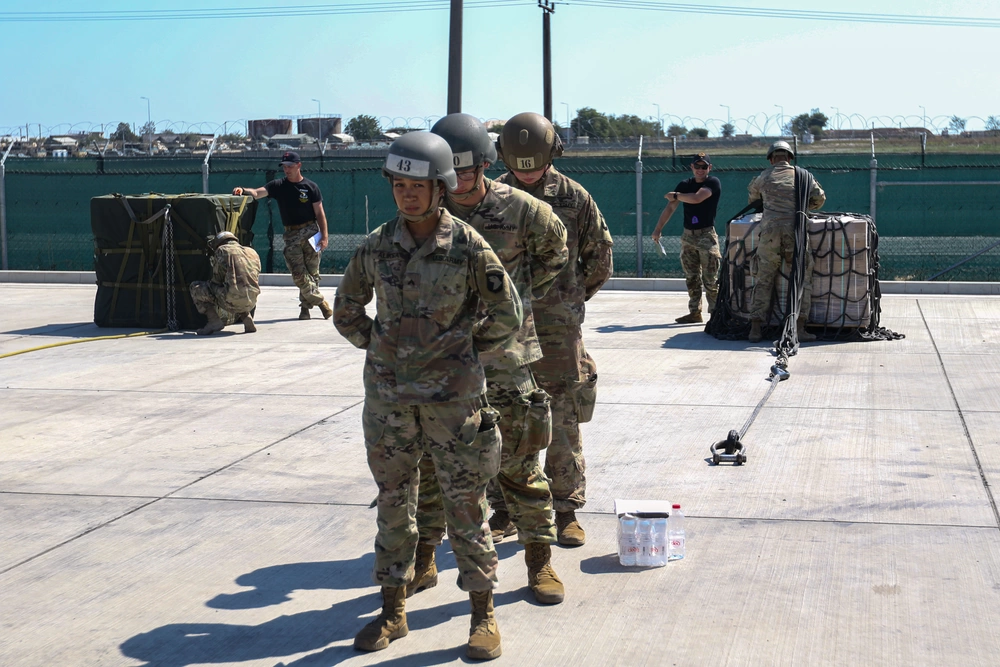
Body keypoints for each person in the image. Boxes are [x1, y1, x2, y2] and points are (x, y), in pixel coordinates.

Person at [333, 131, 523, 660]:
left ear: (440, 188)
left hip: (454, 404)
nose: (406, 195)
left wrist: (462, 354)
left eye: (417, 185)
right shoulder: (376, 245)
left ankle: (482, 613)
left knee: (467, 504)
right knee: (394, 503)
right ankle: (393, 611)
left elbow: (508, 314)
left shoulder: (465, 246)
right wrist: (383, 350)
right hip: (390, 403)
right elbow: (346, 308)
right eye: (398, 185)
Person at [404, 113, 568, 605]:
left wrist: (514, 302)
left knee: (520, 465)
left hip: (504, 358)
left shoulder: (523, 210)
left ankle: (540, 564)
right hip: (442, 366)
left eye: (466, 171)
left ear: (485, 166)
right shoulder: (425, 218)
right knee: (430, 467)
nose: (456, 183)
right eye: (446, 174)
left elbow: (555, 253)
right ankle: (426, 560)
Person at [495, 112, 614, 547]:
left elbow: (600, 256)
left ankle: (565, 510)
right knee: (507, 417)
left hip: (558, 330)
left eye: (535, 161)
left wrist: (569, 300)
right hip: (505, 329)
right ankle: (505, 507)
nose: (527, 171)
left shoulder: (572, 197)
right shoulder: (491, 198)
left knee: (563, 418)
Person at [232, 151, 332, 320]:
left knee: (312, 272)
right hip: (291, 234)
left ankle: (305, 308)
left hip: (311, 232)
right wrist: (244, 190)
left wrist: (324, 236)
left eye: (290, 166)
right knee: (299, 274)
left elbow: (320, 213)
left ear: (299, 165)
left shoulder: (310, 187)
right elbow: (257, 193)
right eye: (284, 167)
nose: (287, 170)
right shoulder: (278, 185)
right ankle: (321, 301)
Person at [746, 141, 826, 343]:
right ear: (790, 158)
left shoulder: (763, 177)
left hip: (770, 233)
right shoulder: (803, 176)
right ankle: (799, 328)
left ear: (771, 158)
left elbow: (754, 201)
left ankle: (755, 329)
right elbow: (819, 199)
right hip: (796, 232)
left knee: (764, 278)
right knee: (801, 278)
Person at [651, 152, 722, 324]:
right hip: (688, 236)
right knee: (691, 277)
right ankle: (694, 312)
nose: (700, 170)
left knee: (710, 279)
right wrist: (658, 229)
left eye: (703, 166)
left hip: (706, 235)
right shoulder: (684, 185)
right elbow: (670, 208)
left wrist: (676, 195)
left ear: (709, 168)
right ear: (691, 167)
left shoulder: (712, 182)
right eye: (697, 166)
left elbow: (697, 198)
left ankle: (716, 314)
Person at [188, 231, 261, 336]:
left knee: (196, 287)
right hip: (252, 301)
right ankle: (246, 318)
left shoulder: (222, 250)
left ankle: (213, 321)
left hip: (231, 300)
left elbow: (217, 280)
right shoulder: (252, 252)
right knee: (239, 286)